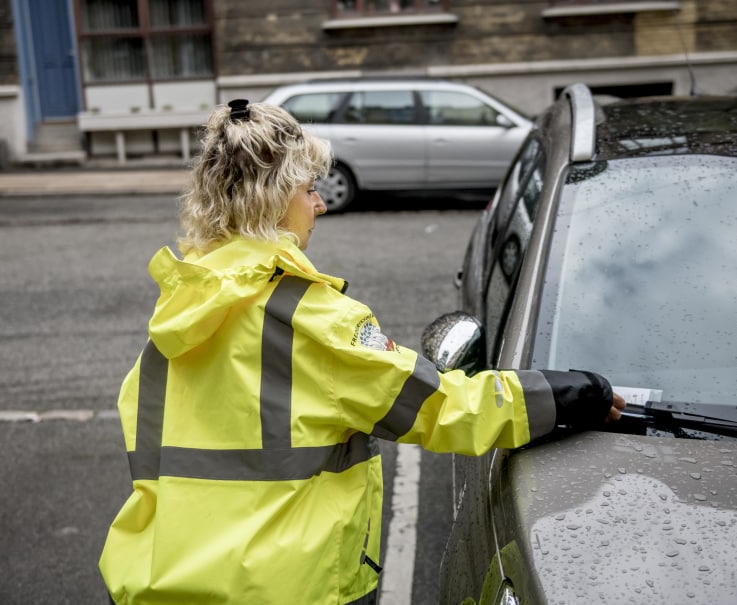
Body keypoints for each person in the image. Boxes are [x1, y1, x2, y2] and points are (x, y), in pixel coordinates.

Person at [98, 99, 626, 605]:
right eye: (309, 189)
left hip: (158, 579)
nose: (321, 203)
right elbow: (443, 409)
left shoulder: (181, 305)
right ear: (273, 198)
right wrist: (567, 394)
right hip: (287, 589)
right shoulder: (312, 321)